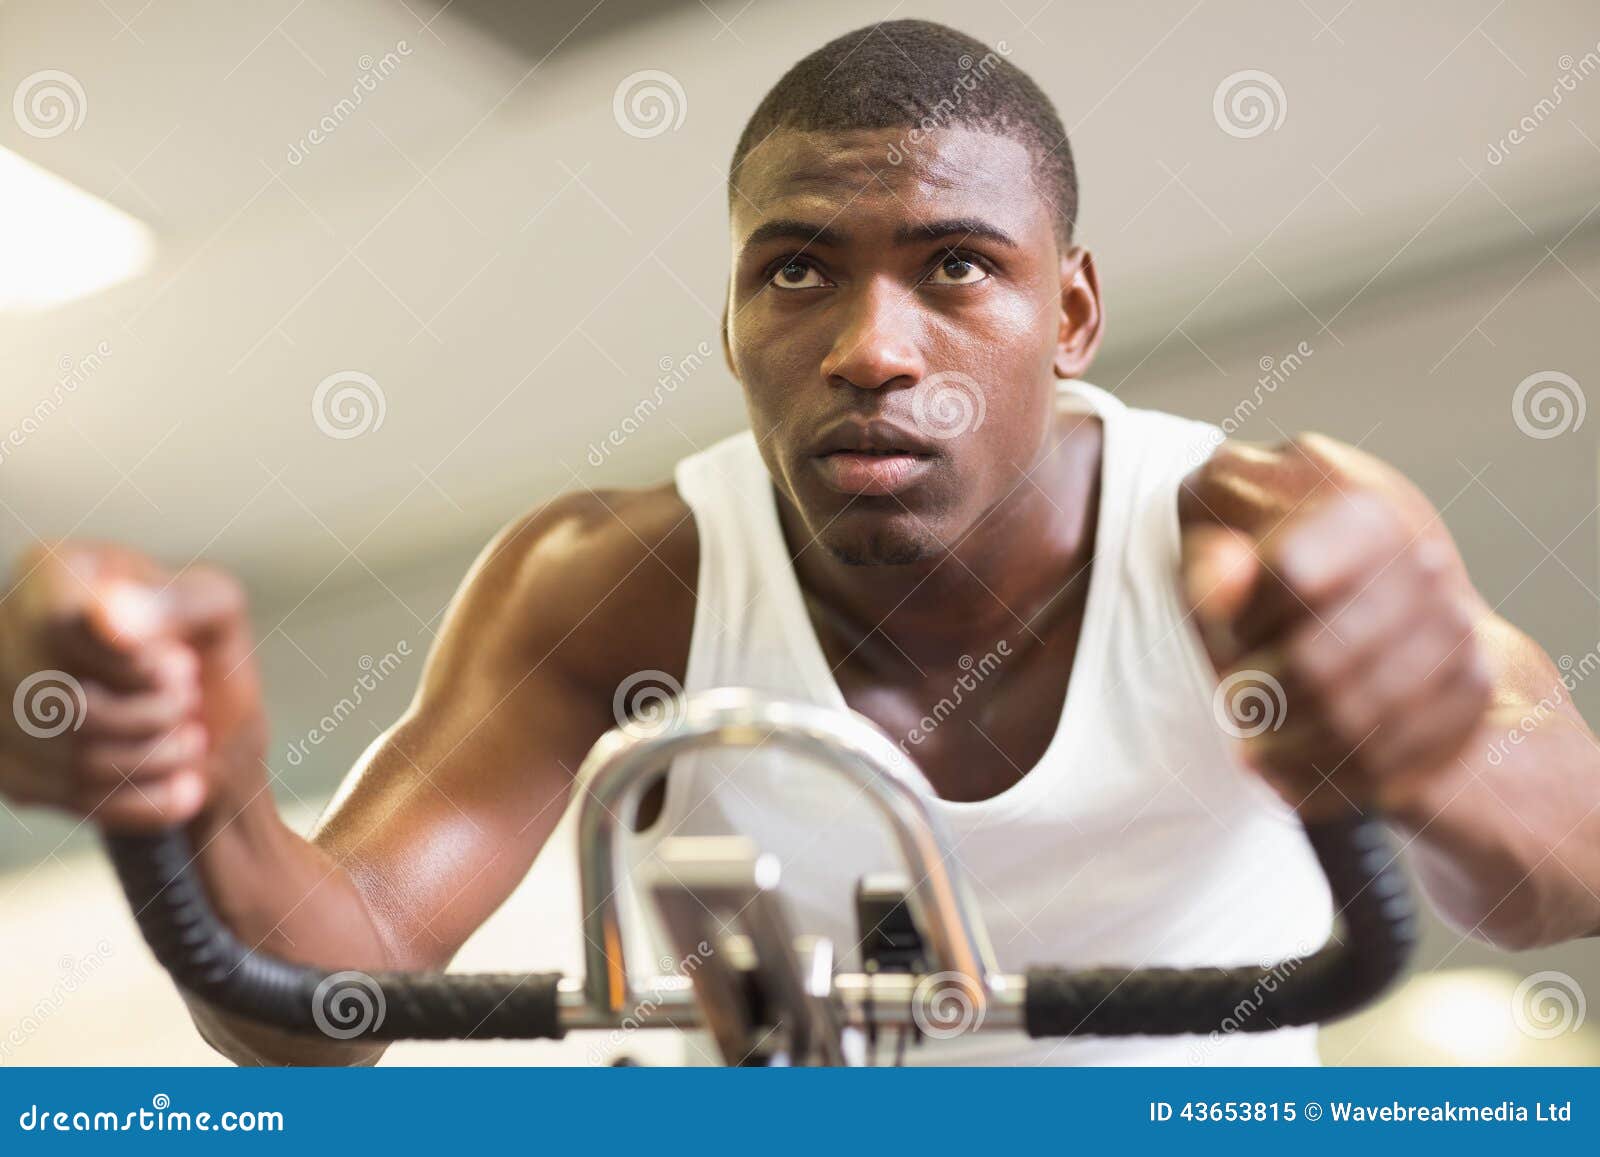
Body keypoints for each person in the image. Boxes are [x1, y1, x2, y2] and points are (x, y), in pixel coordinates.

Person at [3, 19, 1598, 1067]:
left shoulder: (1262, 540)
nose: (870, 348)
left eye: (958, 267)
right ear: (728, 316)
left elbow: (1567, 870)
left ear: (1075, 313)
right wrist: (189, 800)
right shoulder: (617, 582)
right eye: (798, 272)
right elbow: (325, 994)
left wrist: (1437, 740)